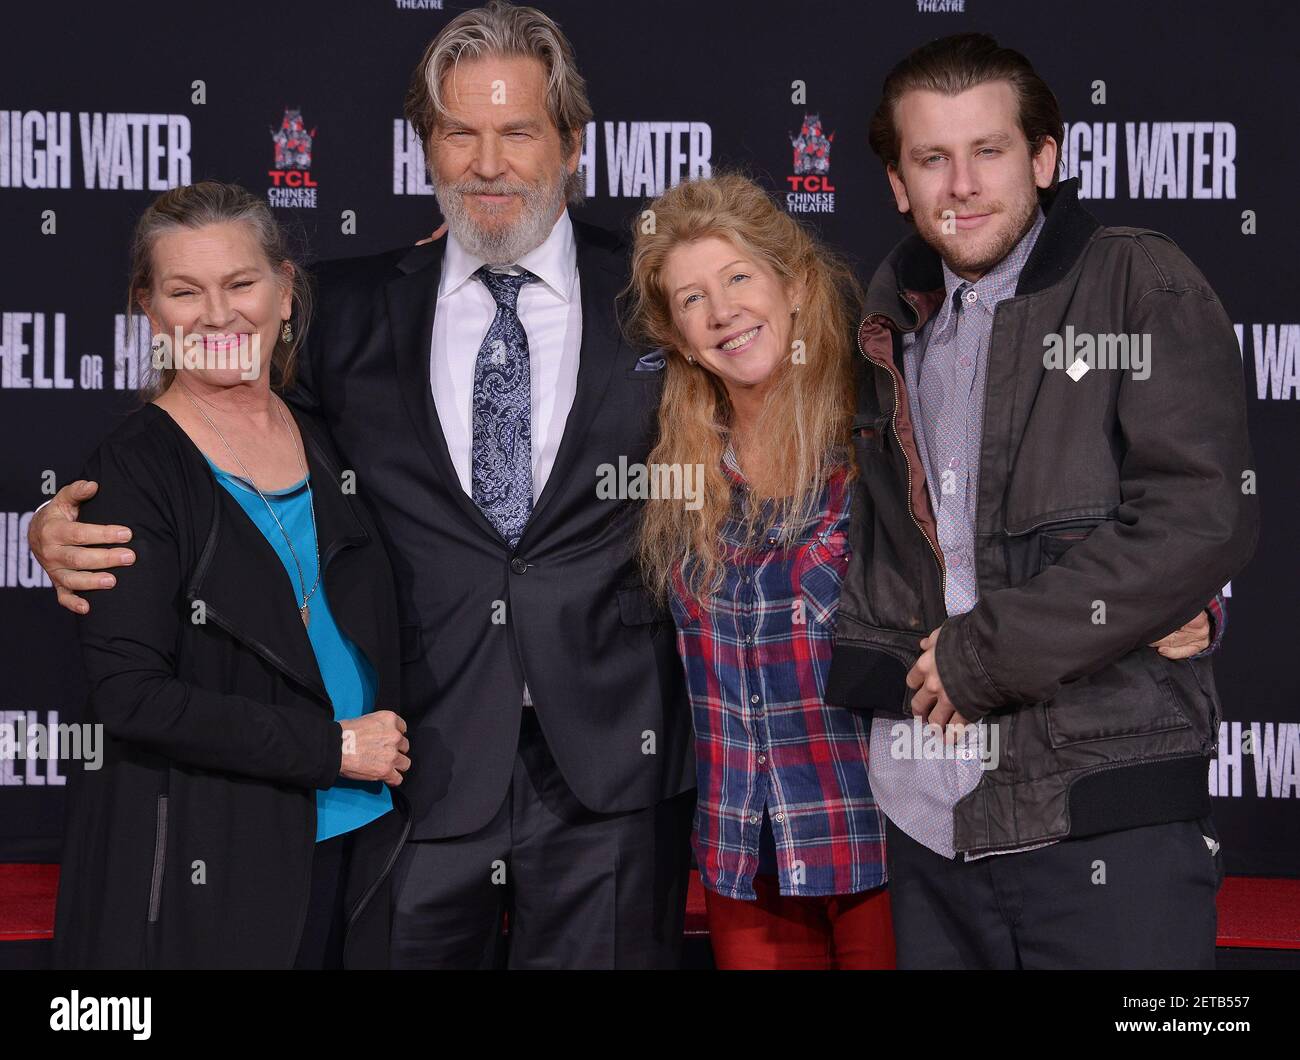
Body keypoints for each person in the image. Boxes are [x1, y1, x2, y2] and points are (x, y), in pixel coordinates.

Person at [32, 1, 694, 969]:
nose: (488, 162)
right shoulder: (341, 311)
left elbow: (778, 424)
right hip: (415, 769)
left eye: (517, 132)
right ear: (426, 147)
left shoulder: (659, 297)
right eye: (459, 133)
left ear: (573, 143)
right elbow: (205, 423)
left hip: (612, 775)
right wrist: (62, 517)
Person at [824, 32, 1256, 968]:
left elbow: (1197, 517)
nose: (963, 184)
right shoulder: (890, 310)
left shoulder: (1138, 281)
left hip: (1104, 819)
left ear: (1045, 159)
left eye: (990, 151)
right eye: (932, 159)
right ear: (899, 183)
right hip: (928, 823)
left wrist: (985, 654)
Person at [50, 181, 411, 969]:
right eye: (185, 291)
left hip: (364, 837)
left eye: (241, 284)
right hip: (217, 865)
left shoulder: (328, 431)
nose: (218, 315)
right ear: (149, 309)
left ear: (285, 291)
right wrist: (329, 748)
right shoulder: (133, 471)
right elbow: (131, 697)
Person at [624, 173, 894, 969]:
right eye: (691, 299)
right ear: (675, 334)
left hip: (880, 842)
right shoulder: (675, 480)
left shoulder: (882, 443)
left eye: (738, 277)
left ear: (798, 286)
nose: (722, 312)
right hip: (746, 858)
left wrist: (1186, 609)